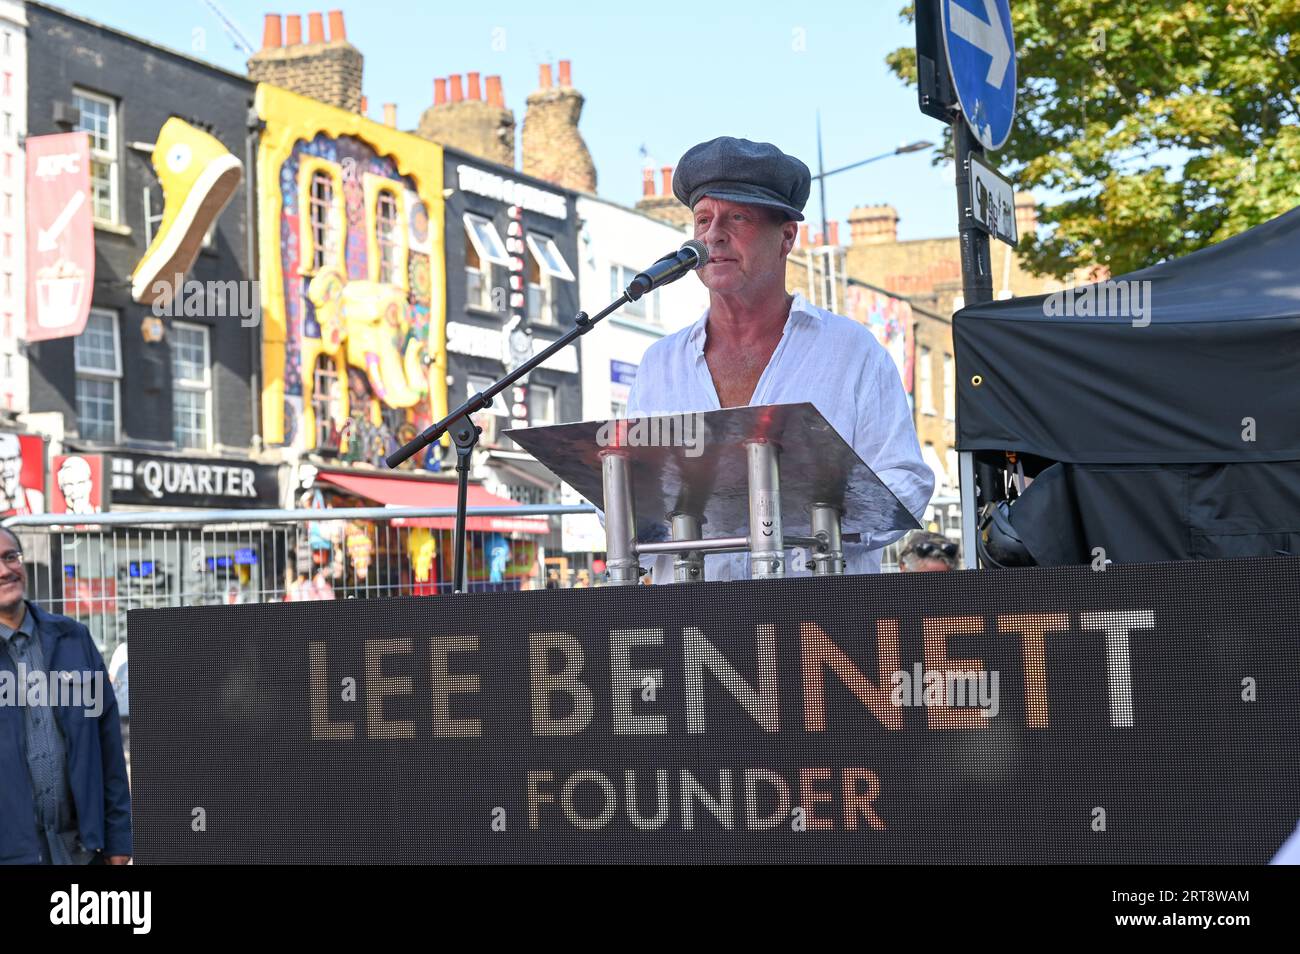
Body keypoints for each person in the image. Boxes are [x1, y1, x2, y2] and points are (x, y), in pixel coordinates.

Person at [626, 137, 933, 581]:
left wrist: (812, 525)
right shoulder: (660, 364)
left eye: (738, 217)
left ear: (786, 236)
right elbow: (629, 490)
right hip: (695, 635)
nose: (714, 234)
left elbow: (906, 481)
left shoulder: (851, 351)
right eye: (704, 219)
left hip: (820, 626)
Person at [0, 525, 131, 864]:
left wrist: (119, 840)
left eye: (9, 557)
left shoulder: (73, 639)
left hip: (81, 851)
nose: (4, 570)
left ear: (22, 562)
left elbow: (108, 746)